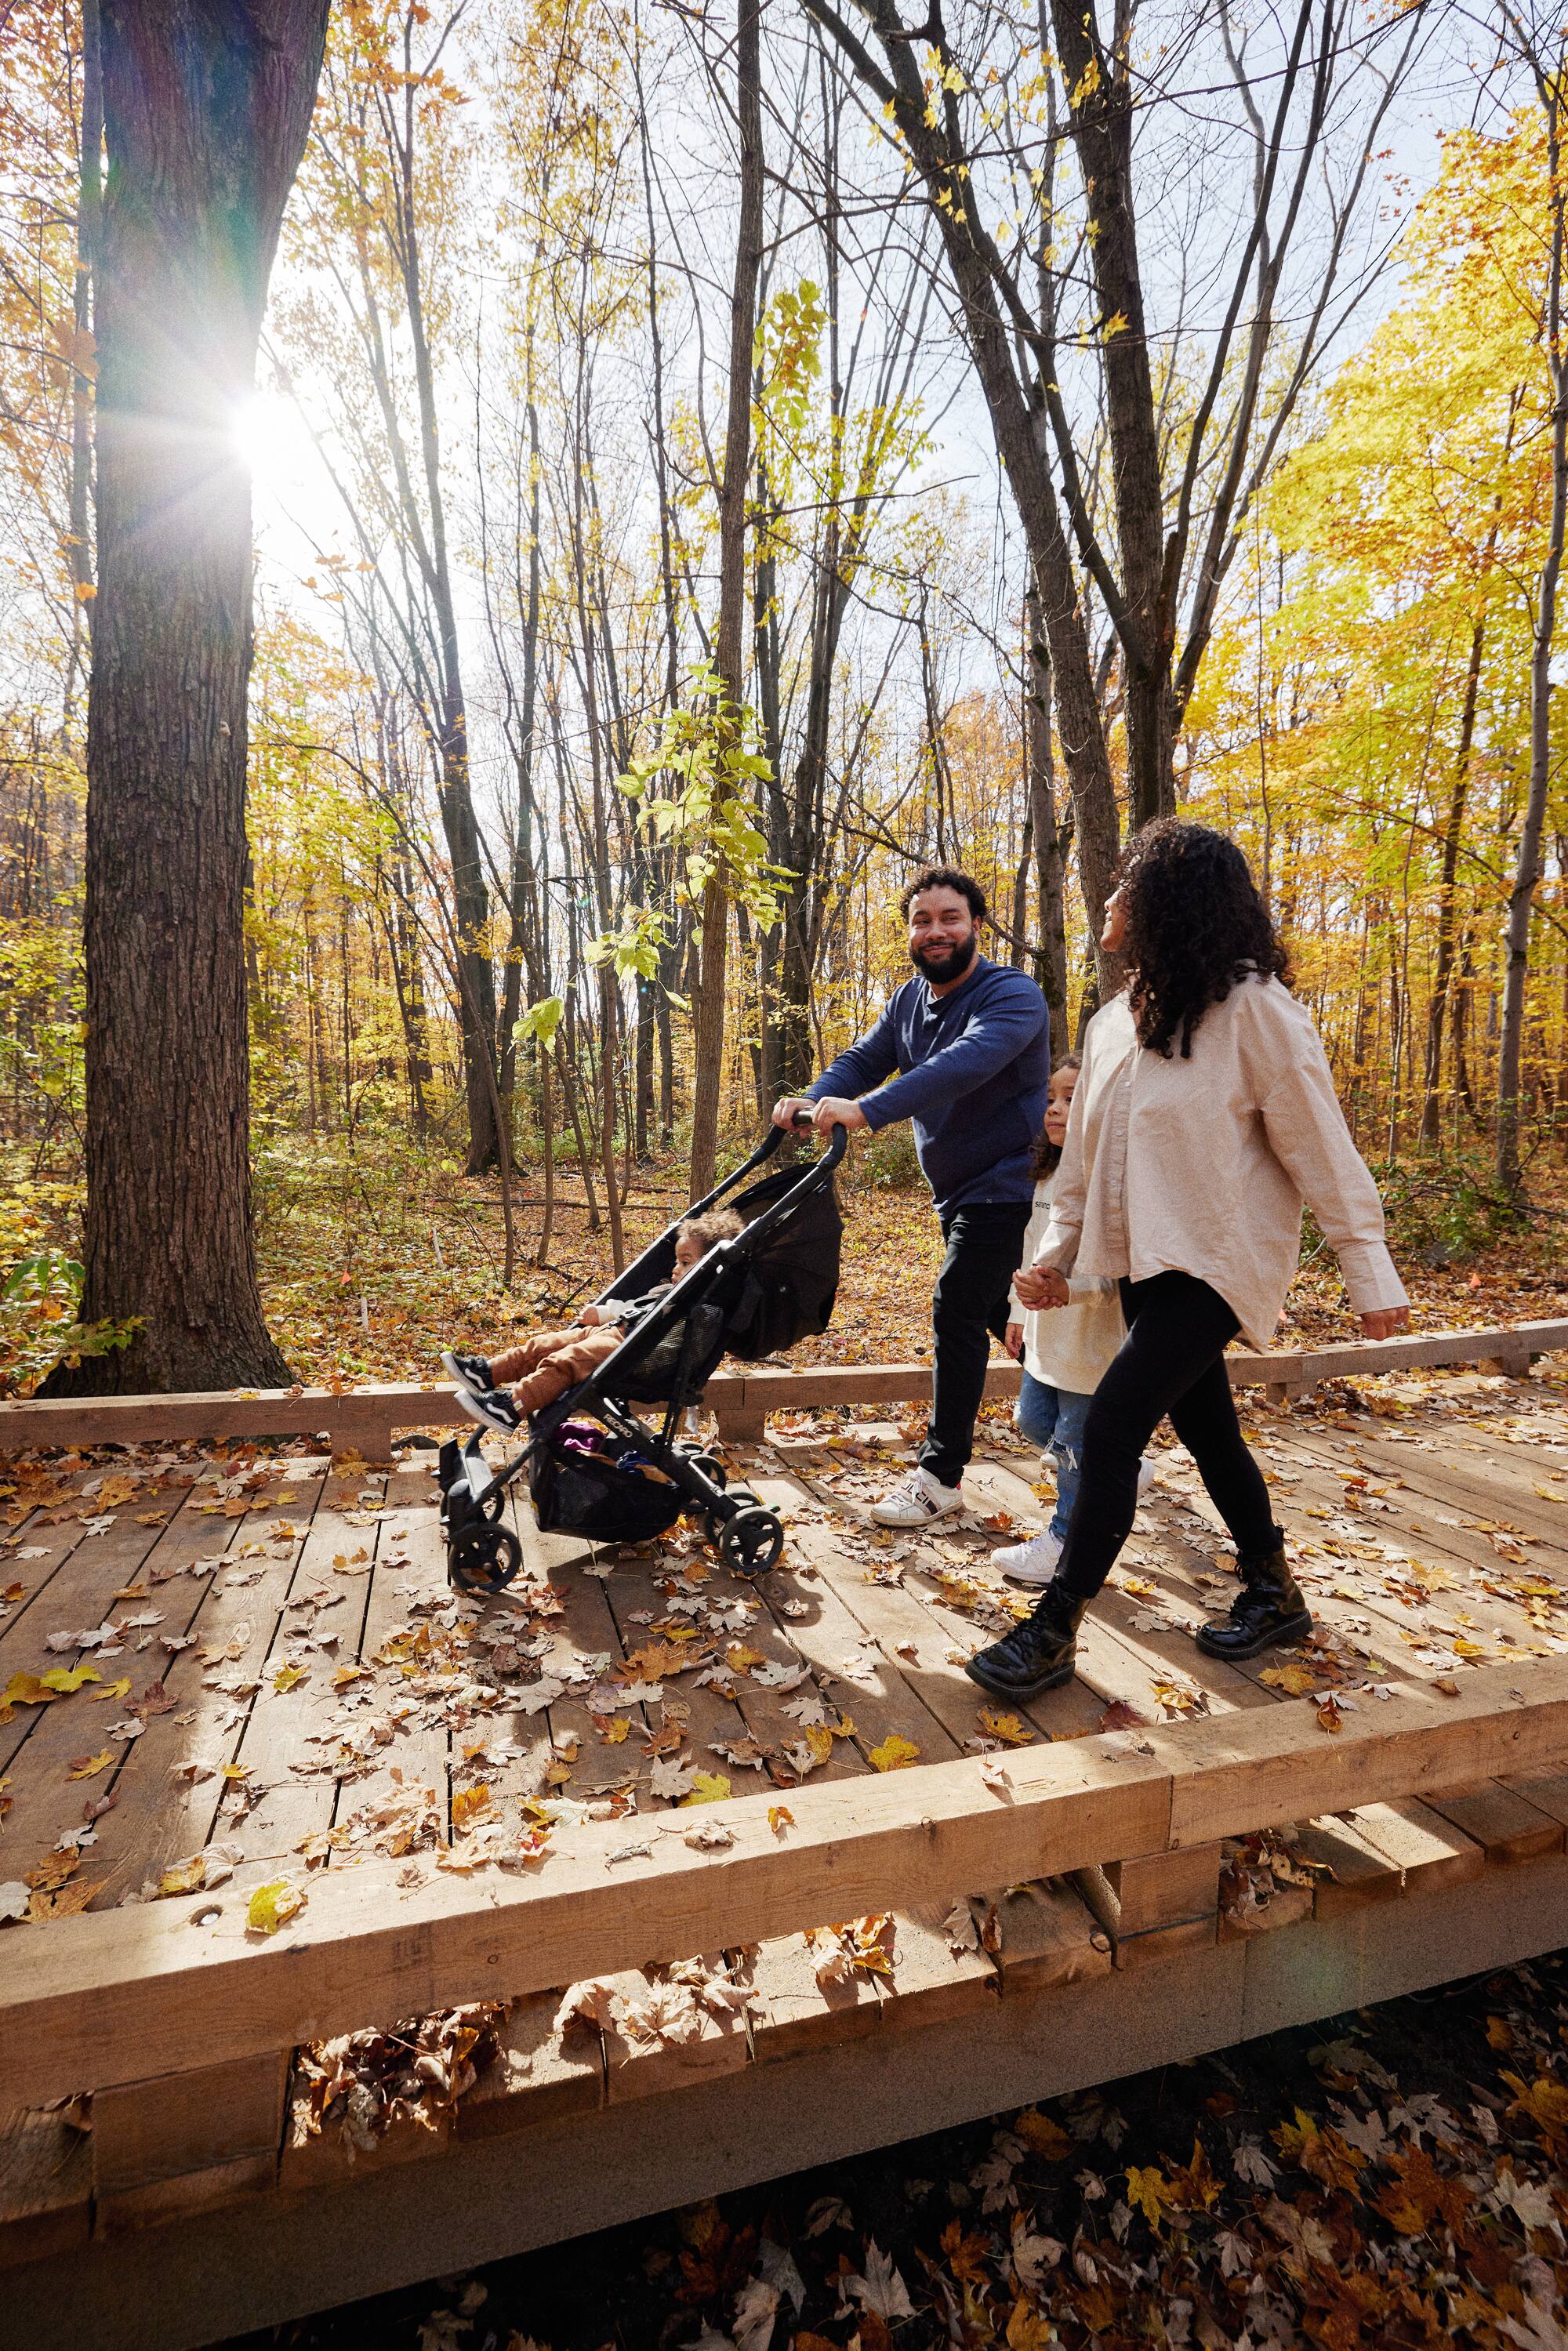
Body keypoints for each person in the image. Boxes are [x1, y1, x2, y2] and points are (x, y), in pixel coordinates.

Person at [965, 819, 1409, 1700]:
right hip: (1140, 1266)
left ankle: (1052, 1626)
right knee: (1209, 1428)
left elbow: (1321, 1148)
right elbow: (1085, 1165)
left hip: (1217, 1260)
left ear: (1167, 899)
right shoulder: (1108, 1028)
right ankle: (1274, 1590)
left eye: (1123, 881)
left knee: (1112, 1422)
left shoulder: (1254, 1010)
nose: (1105, 897)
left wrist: (1369, 1270)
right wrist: (1055, 1258)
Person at [773, 865, 1048, 1526]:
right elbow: (865, 1058)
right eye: (922, 920)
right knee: (1005, 1321)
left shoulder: (1011, 995)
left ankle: (940, 1474)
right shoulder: (906, 1002)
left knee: (957, 1309)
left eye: (950, 917)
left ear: (977, 925)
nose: (935, 931)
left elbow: (958, 1066)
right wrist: (816, 1098)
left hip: (1010, 1186)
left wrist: (866, 1112)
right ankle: (1105, 1434)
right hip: (955, 1193)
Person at [993, 1055, 1151, 1585]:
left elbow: (1119, 1279)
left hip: (1091, 1344)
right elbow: (1032, 1249)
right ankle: (1121, 1469)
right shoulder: (1047, 1173)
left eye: (1070, 1099)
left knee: (1075, 1449)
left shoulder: (1116, 1188)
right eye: (1051, 1099)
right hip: (1044, 1337)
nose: (1056, 1109)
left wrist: (1071, 1290)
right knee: (1033, 1423)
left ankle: (1064, 1541)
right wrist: (1018, 1310)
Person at [443, 1208, 744, 1433]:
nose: (676, 1269)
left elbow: (676, 1346)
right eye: (677, 1261)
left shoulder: (702, 1306)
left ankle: (512, 1406)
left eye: (686, 1263)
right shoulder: (670, 1290)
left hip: (634, 1353)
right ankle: (488, 1373)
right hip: (617, 1333)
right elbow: (632, 1307)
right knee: (543, 1345)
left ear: (709, 1268)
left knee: (567, 1360)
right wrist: (600, 1314)